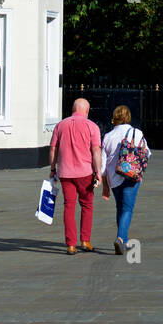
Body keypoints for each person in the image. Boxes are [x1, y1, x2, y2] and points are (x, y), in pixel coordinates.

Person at [48, 98, 102, 255]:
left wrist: (53, 168)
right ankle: (85, 240)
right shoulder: (92, 126)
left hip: (65, 172)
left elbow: (52, 149)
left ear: (73, 109)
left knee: (69, 206)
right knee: (87, 205)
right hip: (85, 172)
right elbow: (96, 151)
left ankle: (70, 244)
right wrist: (98, 172)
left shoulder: (60, 125)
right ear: (87, 110)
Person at [100, 105, 148, 255]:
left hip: (114, 177)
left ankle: (124, 239)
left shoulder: (108, 136)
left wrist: (105, 184)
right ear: (128, 117)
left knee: (120, 208)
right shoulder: (137, 132)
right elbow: (147, 152)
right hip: (131, 175)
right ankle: (120, 238)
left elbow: (102, 165)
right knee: (128, 208)